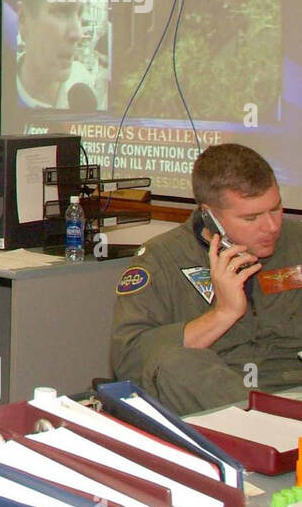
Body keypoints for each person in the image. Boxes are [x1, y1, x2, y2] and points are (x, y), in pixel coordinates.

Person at [112, 144, 302, 414]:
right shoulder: (161, 259)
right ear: (210, 216)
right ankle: (263, 426)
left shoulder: (297, 242)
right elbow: (130, 361)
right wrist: (224, 314)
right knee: (175, 364)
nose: (271, 227)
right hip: (219, 401)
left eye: (275, 208)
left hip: (292, 390)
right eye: (251, 218)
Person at [15, 0, 101, 111]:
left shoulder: (83, 79)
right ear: (23, 18)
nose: (78, 34)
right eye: (62, 11)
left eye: (79, 14)